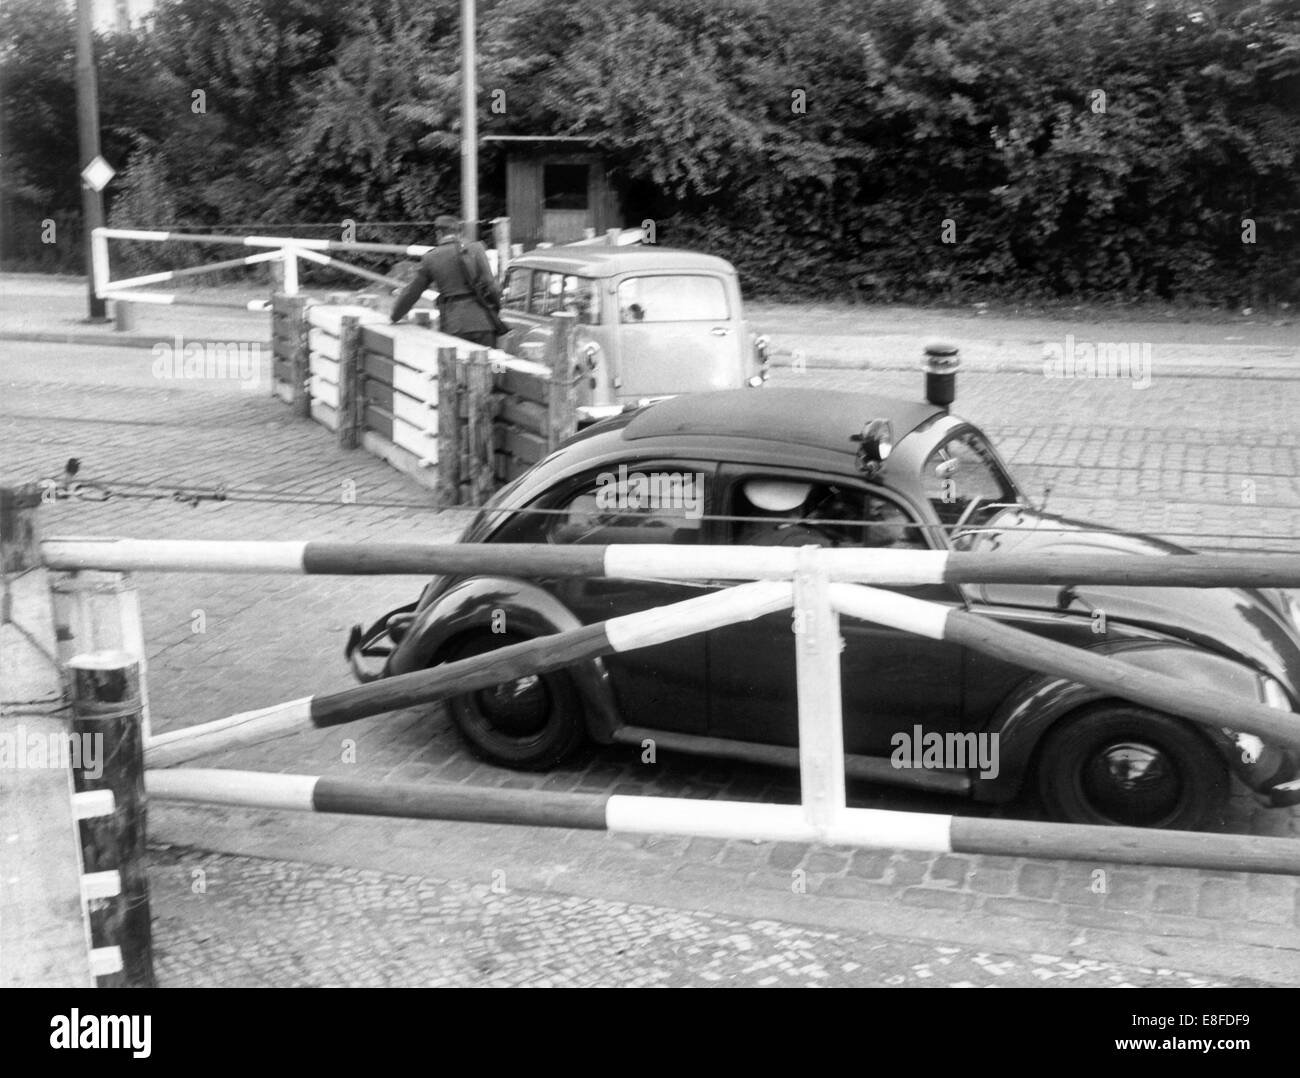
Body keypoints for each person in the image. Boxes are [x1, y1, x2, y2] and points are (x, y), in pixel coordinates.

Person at [389, 214, 502, 347]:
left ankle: (458, 369)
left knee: (455, 367)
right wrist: (496, 308)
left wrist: (395, 316)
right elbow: (491, 285)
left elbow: (412, 293)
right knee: (495, 362)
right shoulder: (477, 249)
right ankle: (497, 369)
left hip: (454, 326)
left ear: (438, 233)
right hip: (485, 323)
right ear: (459, 233)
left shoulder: (430, 258)